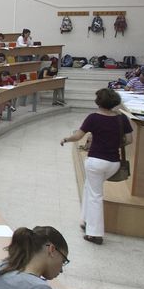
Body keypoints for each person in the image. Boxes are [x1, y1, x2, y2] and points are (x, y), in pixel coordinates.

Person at [60, 89, 132, 245]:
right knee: (89, 187)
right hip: (114, 162)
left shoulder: (93, 118)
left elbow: (78, 136)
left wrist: (66, 139)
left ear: (98, 101)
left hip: (96, 162)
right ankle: (85, 219)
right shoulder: (121, 119)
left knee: (95, 196)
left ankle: (95, 233)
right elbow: (129, 139)